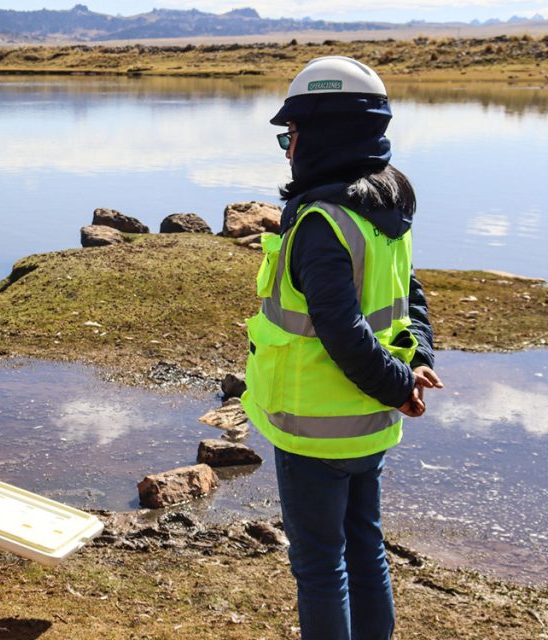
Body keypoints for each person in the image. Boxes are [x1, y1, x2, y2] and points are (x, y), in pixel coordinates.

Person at [241, 56, 444, 640]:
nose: (286, 148)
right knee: (365, 548)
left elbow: (342, 330)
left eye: (292, 134)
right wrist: (418, 361)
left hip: (315, 427)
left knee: (319, 567)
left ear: (323, 133)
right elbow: (410, 295)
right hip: (370, 424)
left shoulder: (321, 221)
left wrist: (402, 382)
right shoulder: (387, 207)